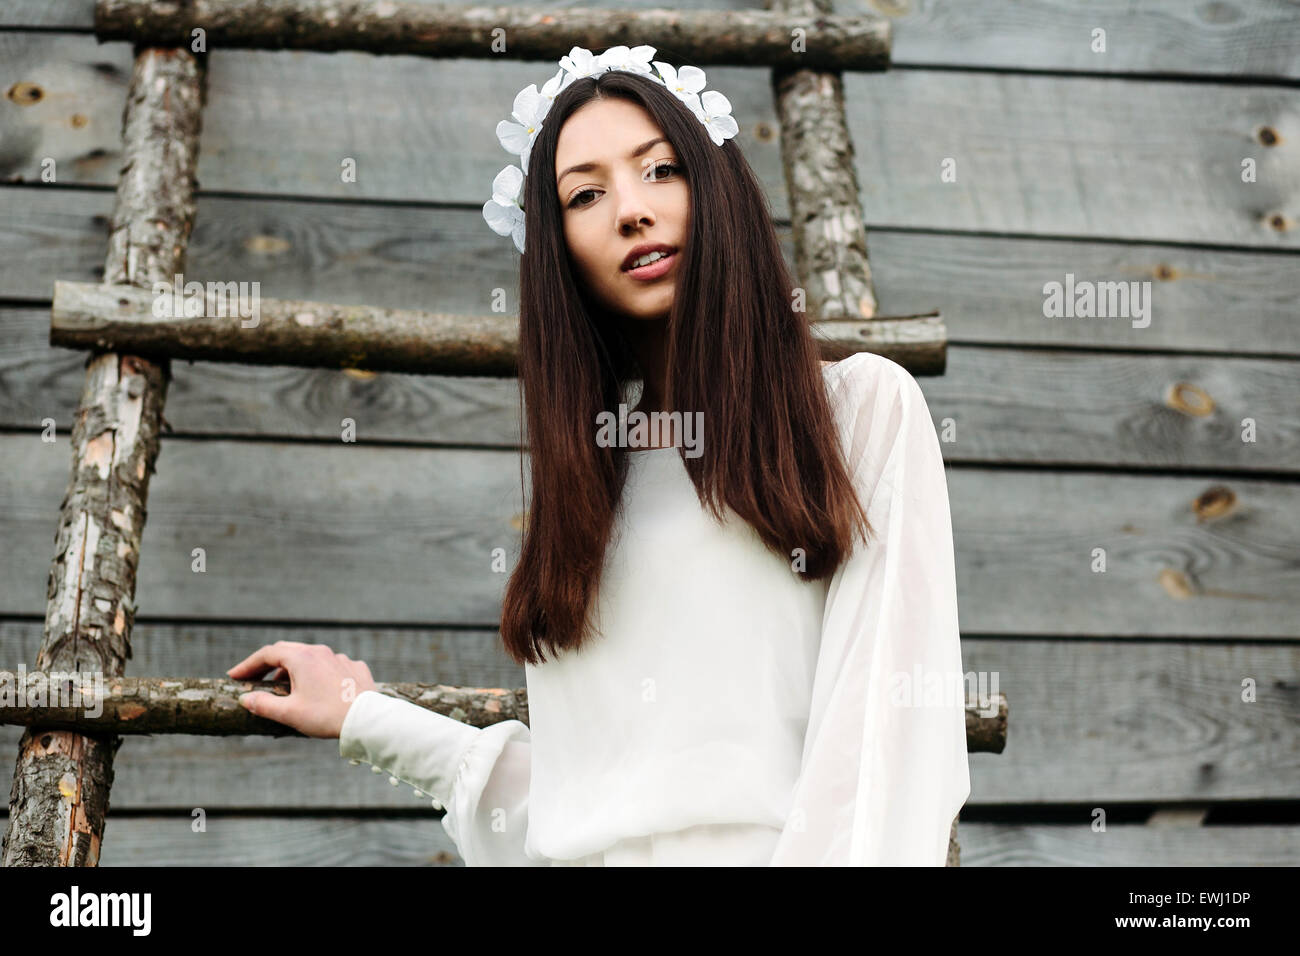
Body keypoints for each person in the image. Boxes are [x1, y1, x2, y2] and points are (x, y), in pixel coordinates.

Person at [228, 46, 971, 866]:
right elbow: (582, 814)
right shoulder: (597, 478)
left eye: (659, 172)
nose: (630, 211)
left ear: (715, 188)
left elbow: (881, 750)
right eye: (586, 194)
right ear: (559, 253)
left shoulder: (858, 409)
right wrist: (367, 717)